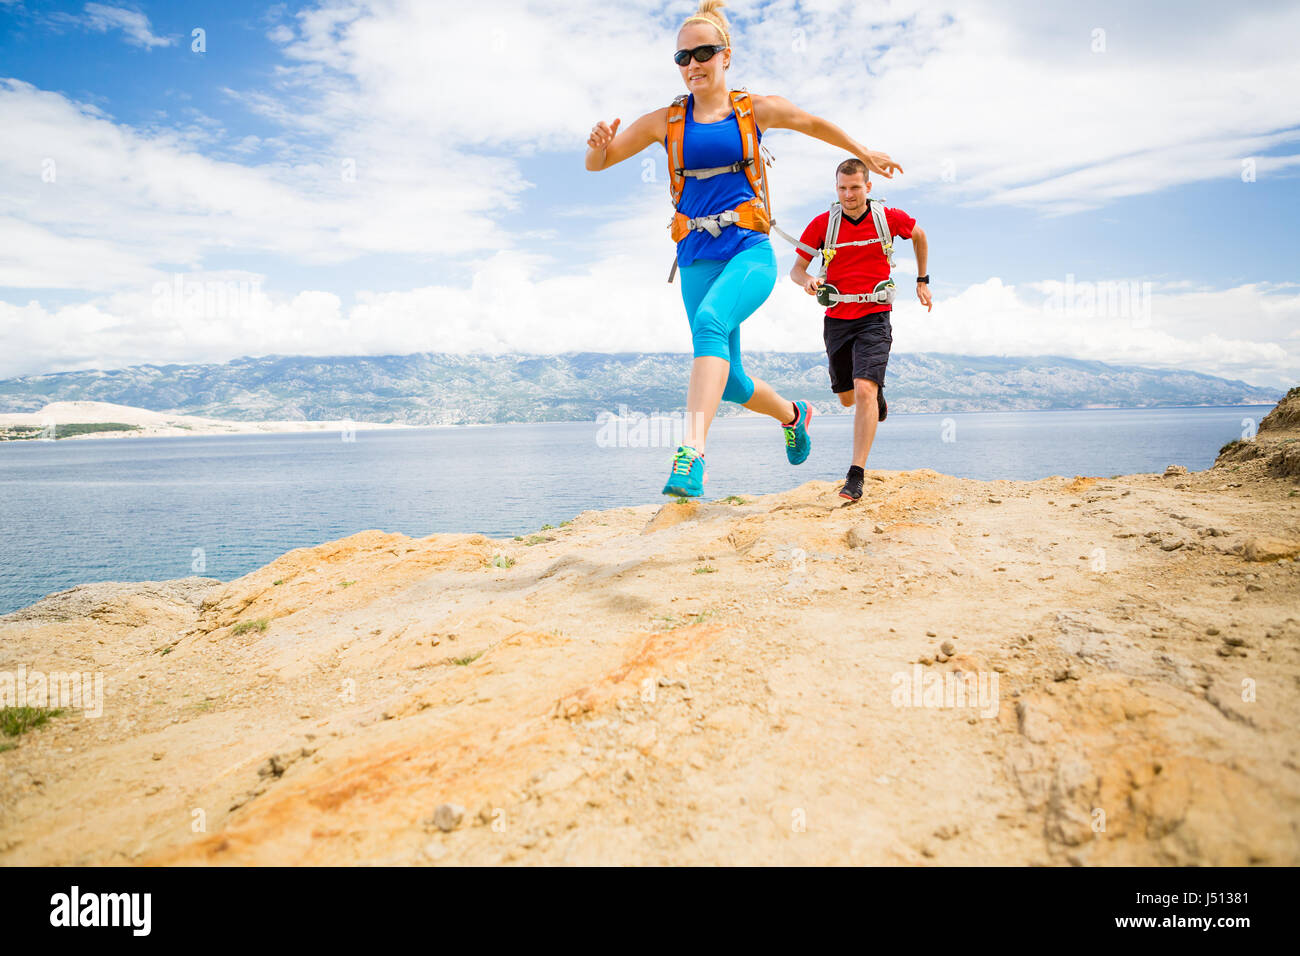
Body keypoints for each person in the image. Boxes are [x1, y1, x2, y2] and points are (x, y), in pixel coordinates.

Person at [584, 0, 902, 497]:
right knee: (728, 380)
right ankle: (794, 415)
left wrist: (864, 153)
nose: (692, 65)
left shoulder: (754, 109)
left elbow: (812, 123)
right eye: (682, 58)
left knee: (712, 322)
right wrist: (598, 144)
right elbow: (596, 165)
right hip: (694, 257)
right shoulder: (665, 120)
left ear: (725, 55)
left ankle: (691, 454)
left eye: (703, 53)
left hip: (749, 250)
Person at [788, 158, 931, 501]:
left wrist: (922, 280)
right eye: (842, 188)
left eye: (855, 187)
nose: (849, 194)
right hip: (838, 319)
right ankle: (875, 394)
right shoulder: (823, 224)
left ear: (868, 187)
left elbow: (920, 234)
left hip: (875, 316)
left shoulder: (887, 218)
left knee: (864, 388)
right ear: (836, 188)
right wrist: (808, 281)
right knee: (847, 398)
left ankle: (855, 476)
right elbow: (796, 270)